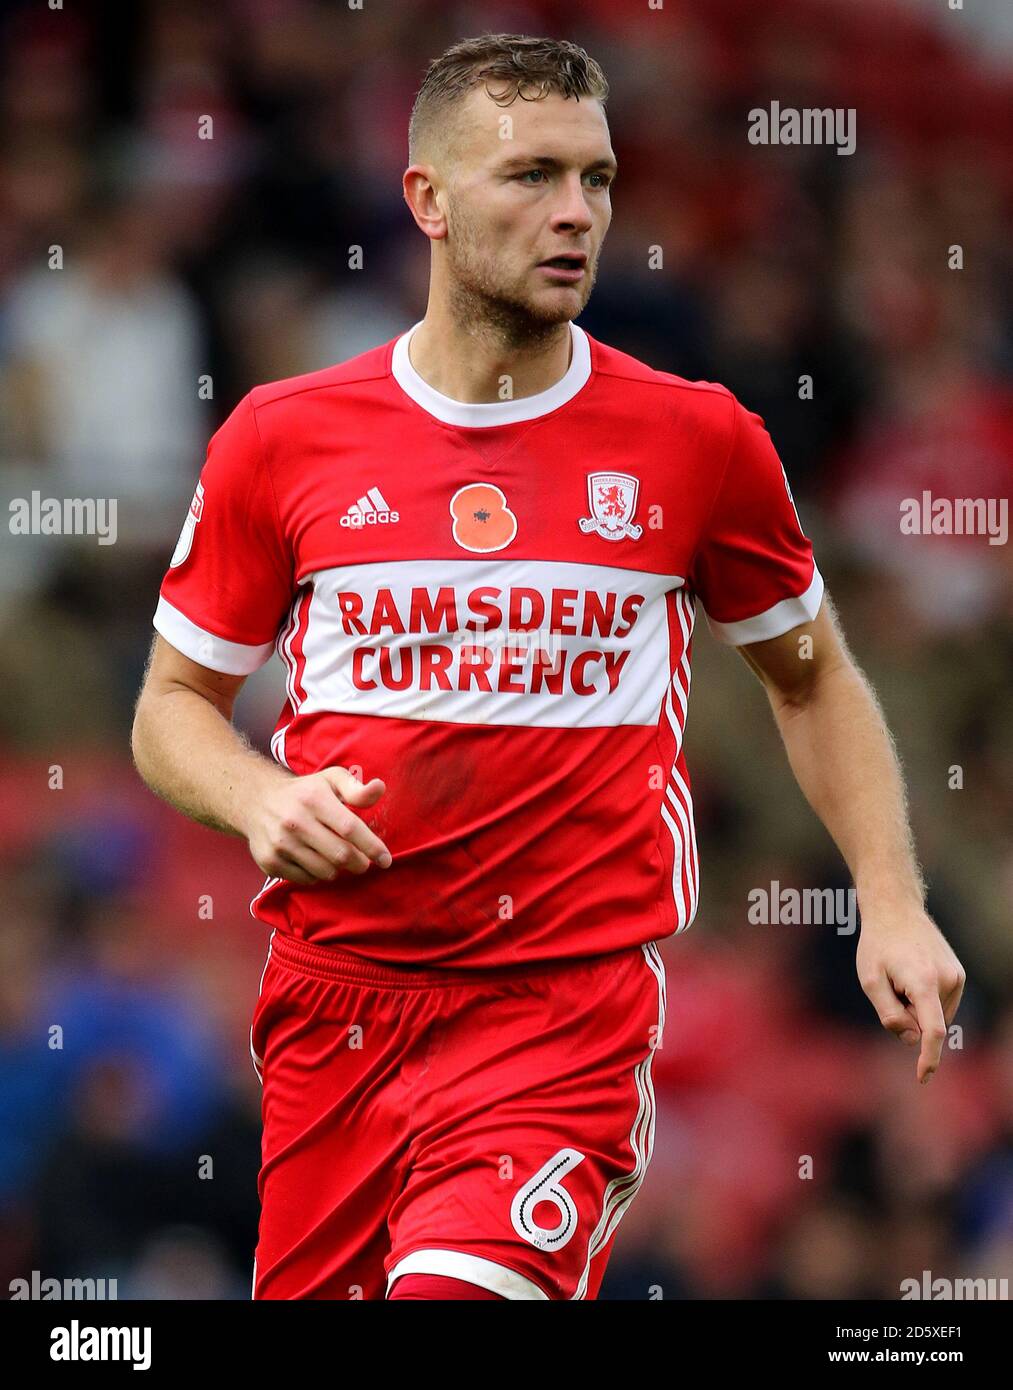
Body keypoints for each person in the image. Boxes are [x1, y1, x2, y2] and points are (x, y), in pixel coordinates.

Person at [130, 34, 965, 1301]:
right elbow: (169, 711)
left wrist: (888, 900)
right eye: (530, 176)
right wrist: (258, 798)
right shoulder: (280, 439)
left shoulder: (696, 441)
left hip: (554, 1014)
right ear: (427, 200)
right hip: (333, 1010)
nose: (575, 213)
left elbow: (808, 678)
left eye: (597, 177)